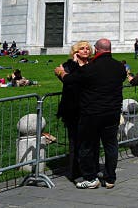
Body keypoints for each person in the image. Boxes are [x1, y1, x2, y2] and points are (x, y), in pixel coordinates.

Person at [55, 38, 127, 189]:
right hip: (112, 112)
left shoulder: (91, 67)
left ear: (96, 49)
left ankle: (90, 177)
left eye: (90, 48)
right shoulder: (119, 67)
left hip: (92, 113)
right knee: (111, 145)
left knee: (85, 145)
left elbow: (71, 80)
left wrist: (61, 73)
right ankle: (110, 178)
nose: (87, 51)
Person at [56, 41, 92, 181]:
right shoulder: (67, 66)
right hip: (73, 109)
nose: (85, 51)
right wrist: (75, 63)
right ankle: (75, 171)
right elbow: (70, 81)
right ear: (75, 51)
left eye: (87, 48)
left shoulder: (92, 65)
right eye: (82, 49)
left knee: (89, 141)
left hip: (89, 107)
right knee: (75, 141)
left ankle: (89, 169)